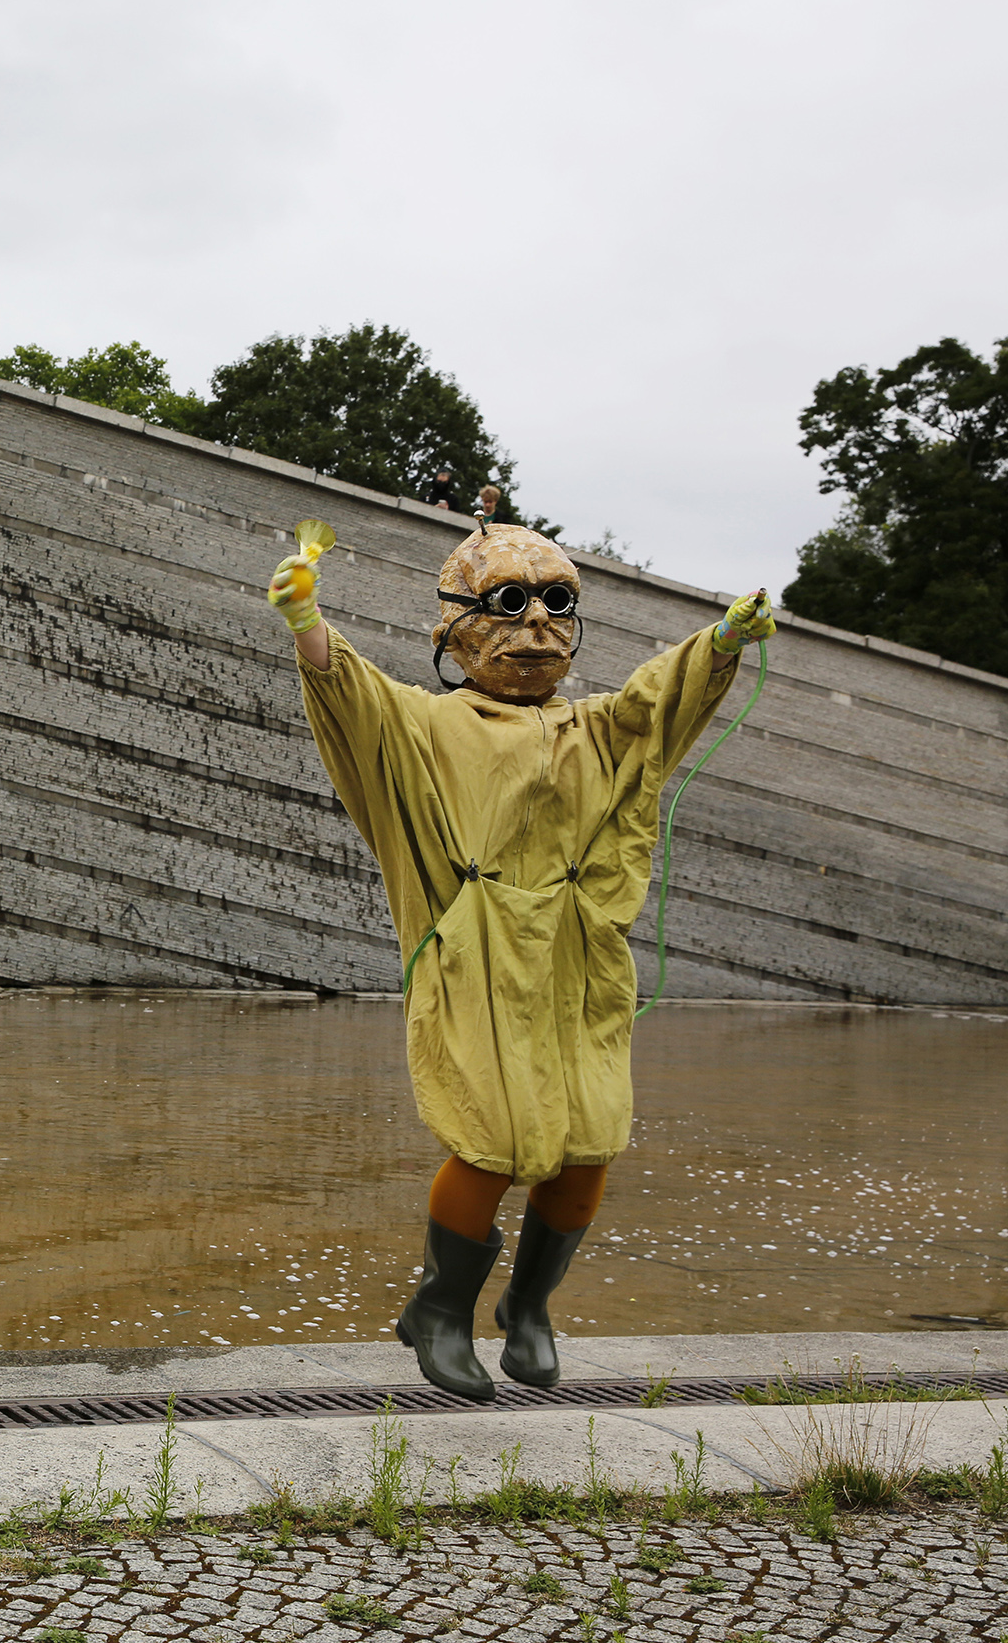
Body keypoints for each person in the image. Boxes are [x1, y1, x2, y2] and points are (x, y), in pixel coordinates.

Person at [268, 521, 774, 1402]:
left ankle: (530, 1308)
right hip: (476, 951)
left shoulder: (597, 729)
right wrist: (306, 617)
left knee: (591, 1140)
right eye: (510, 602)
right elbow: (351, 699)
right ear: (454, 631)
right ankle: (442, 1307)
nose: (537, 624)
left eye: (558, 604)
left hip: (580, 961)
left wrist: (724, 637)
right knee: (493, 1139)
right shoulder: (426, 726)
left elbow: (661, 699)